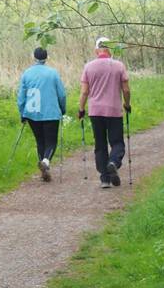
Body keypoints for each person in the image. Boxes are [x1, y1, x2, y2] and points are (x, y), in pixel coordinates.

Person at [77, 37, 131, 189]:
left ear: (96, 50)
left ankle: (105, 179)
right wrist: (127, 104)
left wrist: (81, 109)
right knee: (117, 142)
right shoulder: (119, 66)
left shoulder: (88, 67)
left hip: (95, 112)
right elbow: (126, 89)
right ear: (110, 49)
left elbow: (84, 92)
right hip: (114, 111)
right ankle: (113, 162)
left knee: (100, 145)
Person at [17, 46, 67, 181]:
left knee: (40, 141)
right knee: (51, 141)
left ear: (34, 57)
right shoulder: (53, 73)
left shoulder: (26, 73)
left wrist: (22, 113)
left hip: (32, 113)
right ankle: (45, 162)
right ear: (47, 58)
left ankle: (43, 169)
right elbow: (61, 94)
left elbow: (21, 96)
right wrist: (62, 109)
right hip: (50, 112)